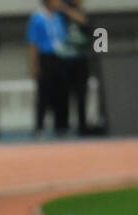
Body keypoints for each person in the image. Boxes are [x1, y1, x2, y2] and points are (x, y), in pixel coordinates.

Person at [28, 0, 68, 137]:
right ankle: (39, 126)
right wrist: (34, 65)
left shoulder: (59, 17)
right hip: (45, 58)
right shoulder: (37, 18)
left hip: (60, 57)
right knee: (43, 94)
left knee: (61, 93)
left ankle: (61, 125)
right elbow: (33, 43)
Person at [58, 0, 91, 135]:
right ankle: (63, 125)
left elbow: (86, 24)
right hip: (64, 59)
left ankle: (82, 125)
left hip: (81, 59)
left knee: (81, 93)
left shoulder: (82, 12)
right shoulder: (61, 13)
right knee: (63, 94)